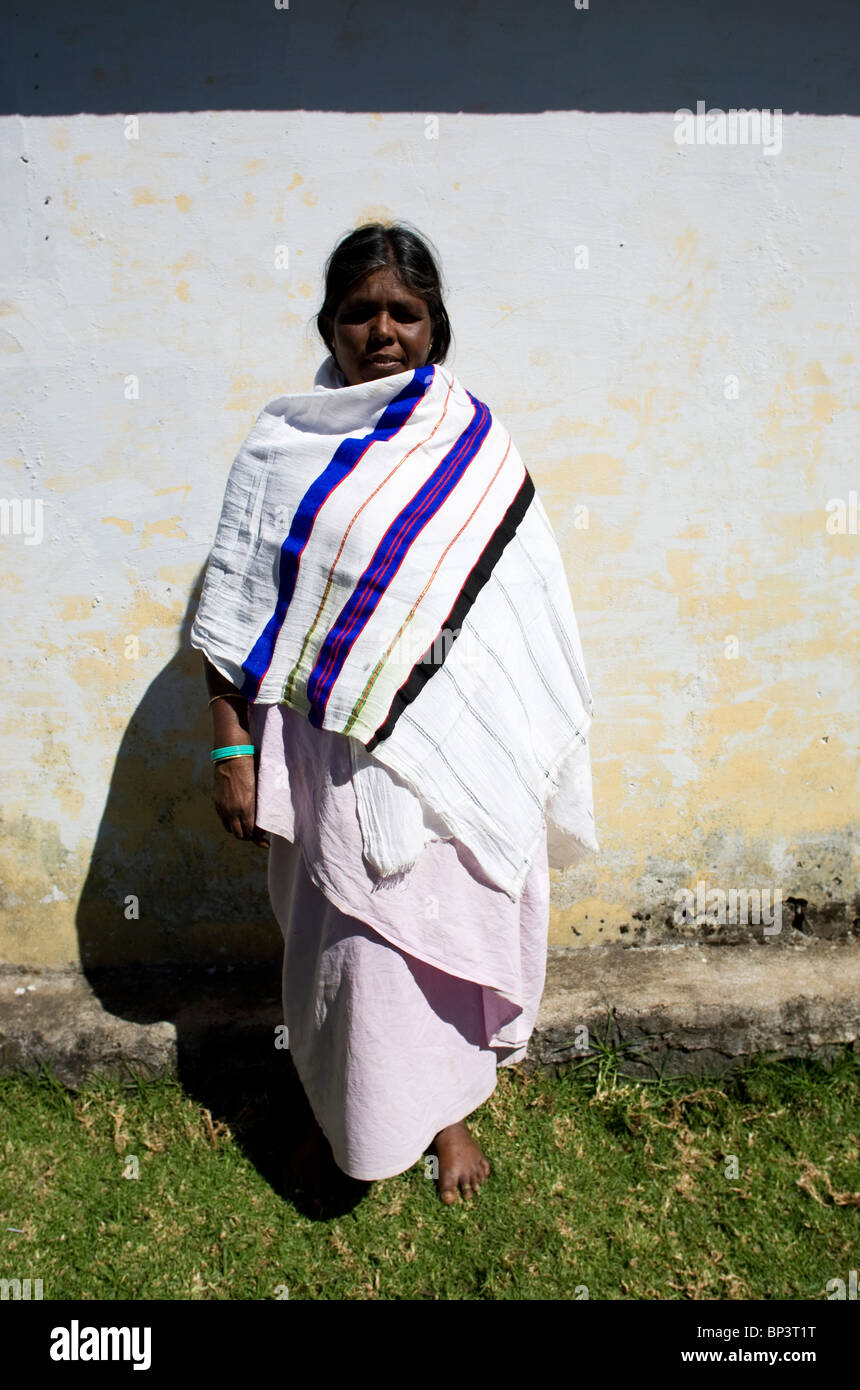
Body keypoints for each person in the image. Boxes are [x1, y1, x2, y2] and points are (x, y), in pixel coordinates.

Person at [192, 222, 598, 1204]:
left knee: (442, 933)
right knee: (344, 949)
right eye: (358, 312)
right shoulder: (282, 448)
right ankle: (342, 1124)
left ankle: (446, 1113)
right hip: (331, 755)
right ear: (328, 324)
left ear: (434, 323)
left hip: (445, 756)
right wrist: (231, 746)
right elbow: (230, 613)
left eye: (402, 313)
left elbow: (521, 607)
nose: (381, 331)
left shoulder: (474, 443)